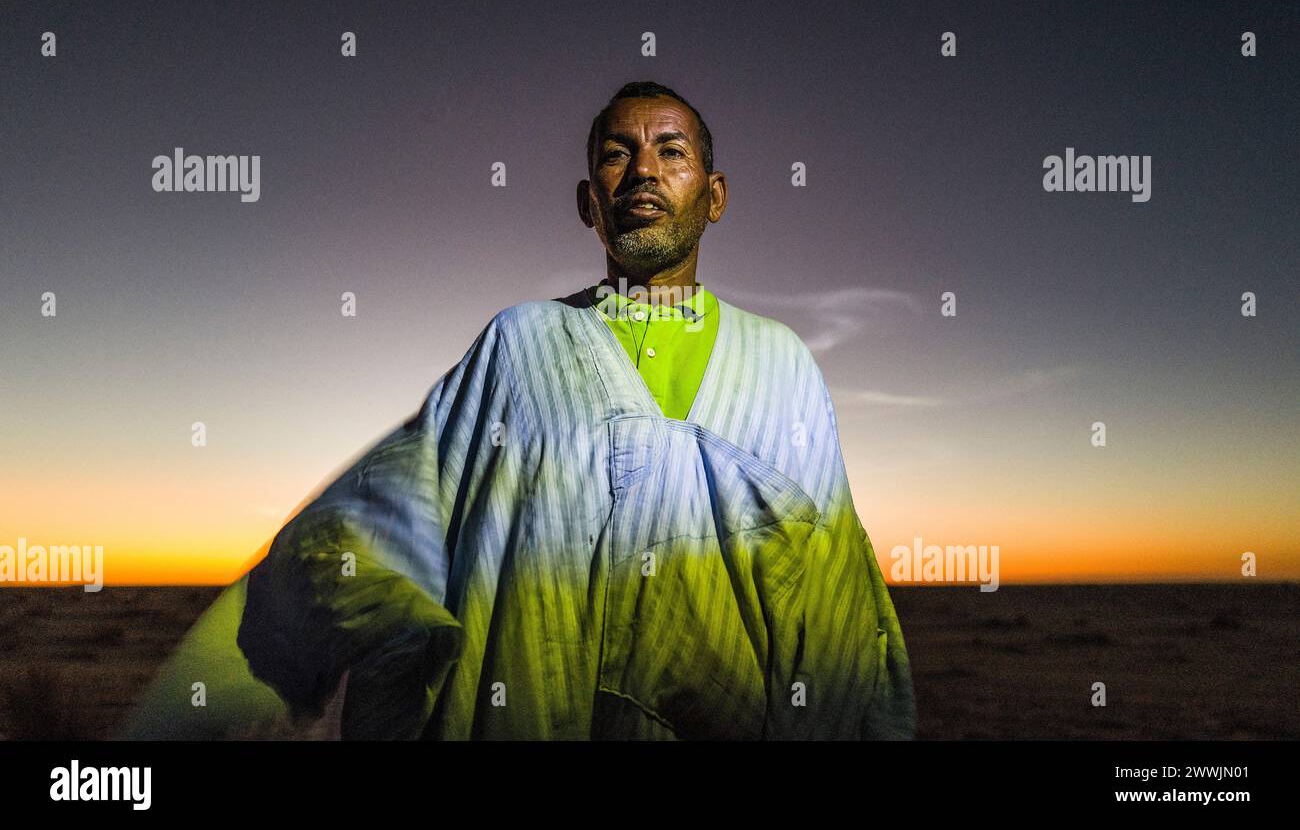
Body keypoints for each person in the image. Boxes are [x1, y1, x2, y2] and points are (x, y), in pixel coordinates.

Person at [120, 81, 917, 740]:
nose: (643, 169)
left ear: (714, 197)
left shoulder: (782, 367)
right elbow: (376, 528)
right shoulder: (521, 348)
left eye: (670, 152)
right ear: (587, 203)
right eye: (617, 154)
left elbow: (843, 610)